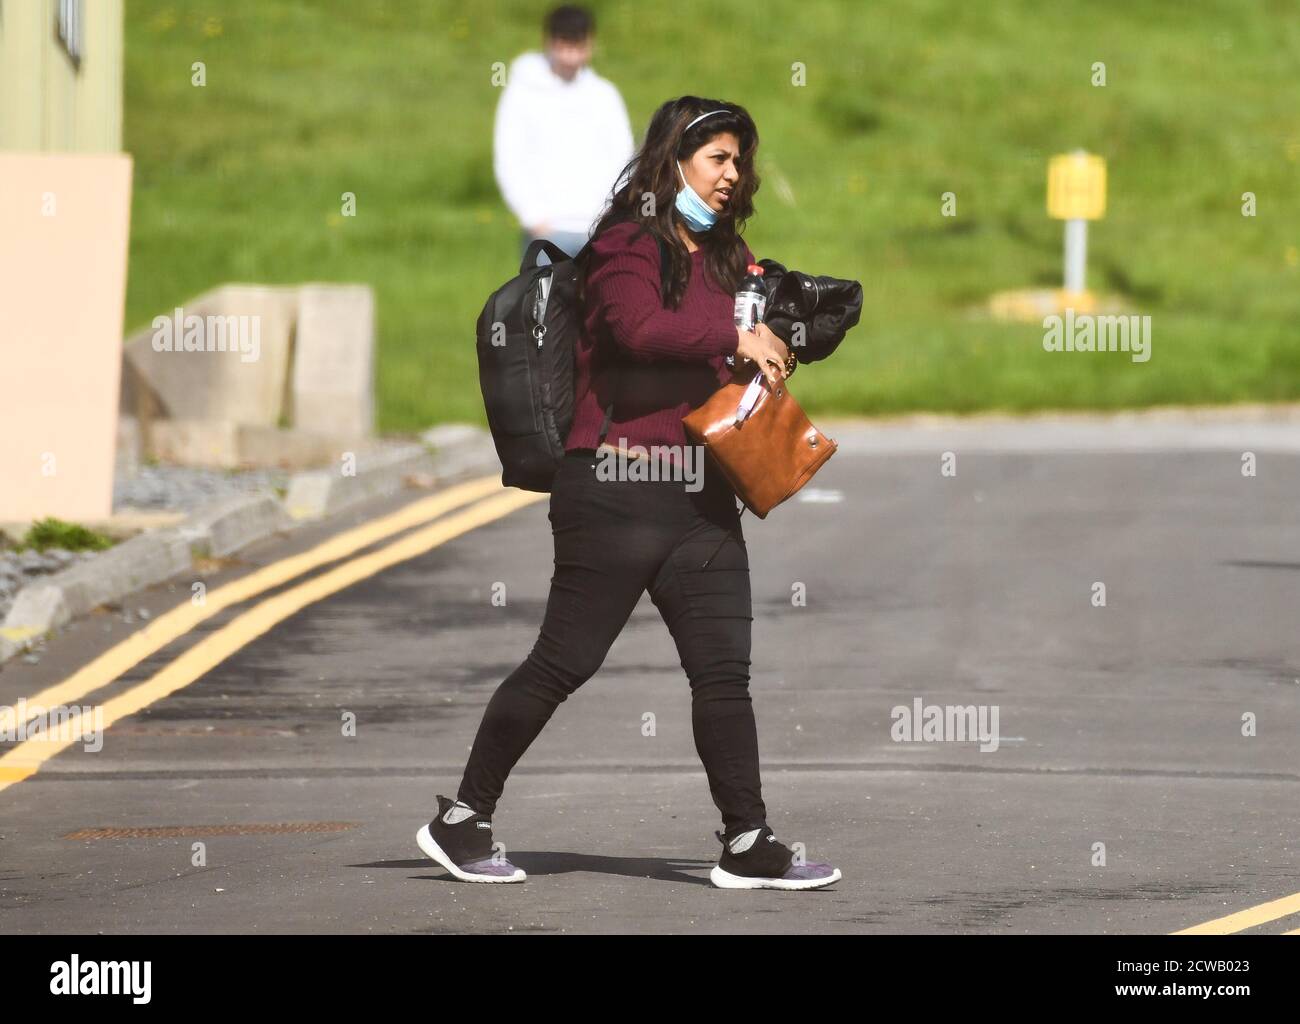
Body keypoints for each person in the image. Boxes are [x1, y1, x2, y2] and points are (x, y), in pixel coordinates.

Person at [417, 97, 842, 891]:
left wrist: (791, 332)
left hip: (699, 492)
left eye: (738, 160)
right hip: (613, 483)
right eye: (717, 157)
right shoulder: (624, 241)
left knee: (723, 673)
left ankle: (746, 839)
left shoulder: (728, 253)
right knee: (563, 661)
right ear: (673, 162)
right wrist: (731, 336)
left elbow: (728, 344)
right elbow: (637, 329)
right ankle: (462, 818)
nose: (732, 174)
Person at [493, 4, 634, 263]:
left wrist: (611, 213)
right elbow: (509, 155)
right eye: (564, 45)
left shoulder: (604, 95)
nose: (571, 56)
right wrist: (532, 216)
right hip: (547, 231)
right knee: (544, 303)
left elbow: (623, 157)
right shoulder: (523, 91)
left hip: (597, 228)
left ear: (590, 44)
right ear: (550, 42)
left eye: (578, 46)